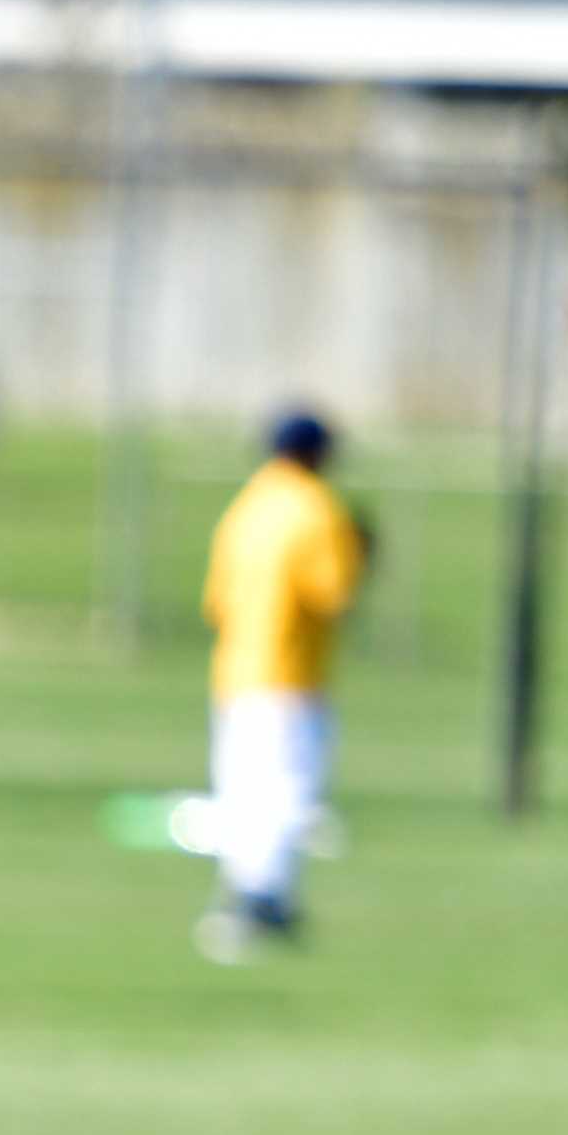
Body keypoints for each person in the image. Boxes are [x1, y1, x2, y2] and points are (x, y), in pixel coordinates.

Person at [196, 408, 370, 963]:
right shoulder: (316, 508)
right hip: (291, 672)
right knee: (285, 789)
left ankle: (245, 894)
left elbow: (216, 601)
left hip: (235, 670)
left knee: (242, 792)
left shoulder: (245, 506)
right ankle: (262, 903)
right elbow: (333, 593)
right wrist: (361, 555)